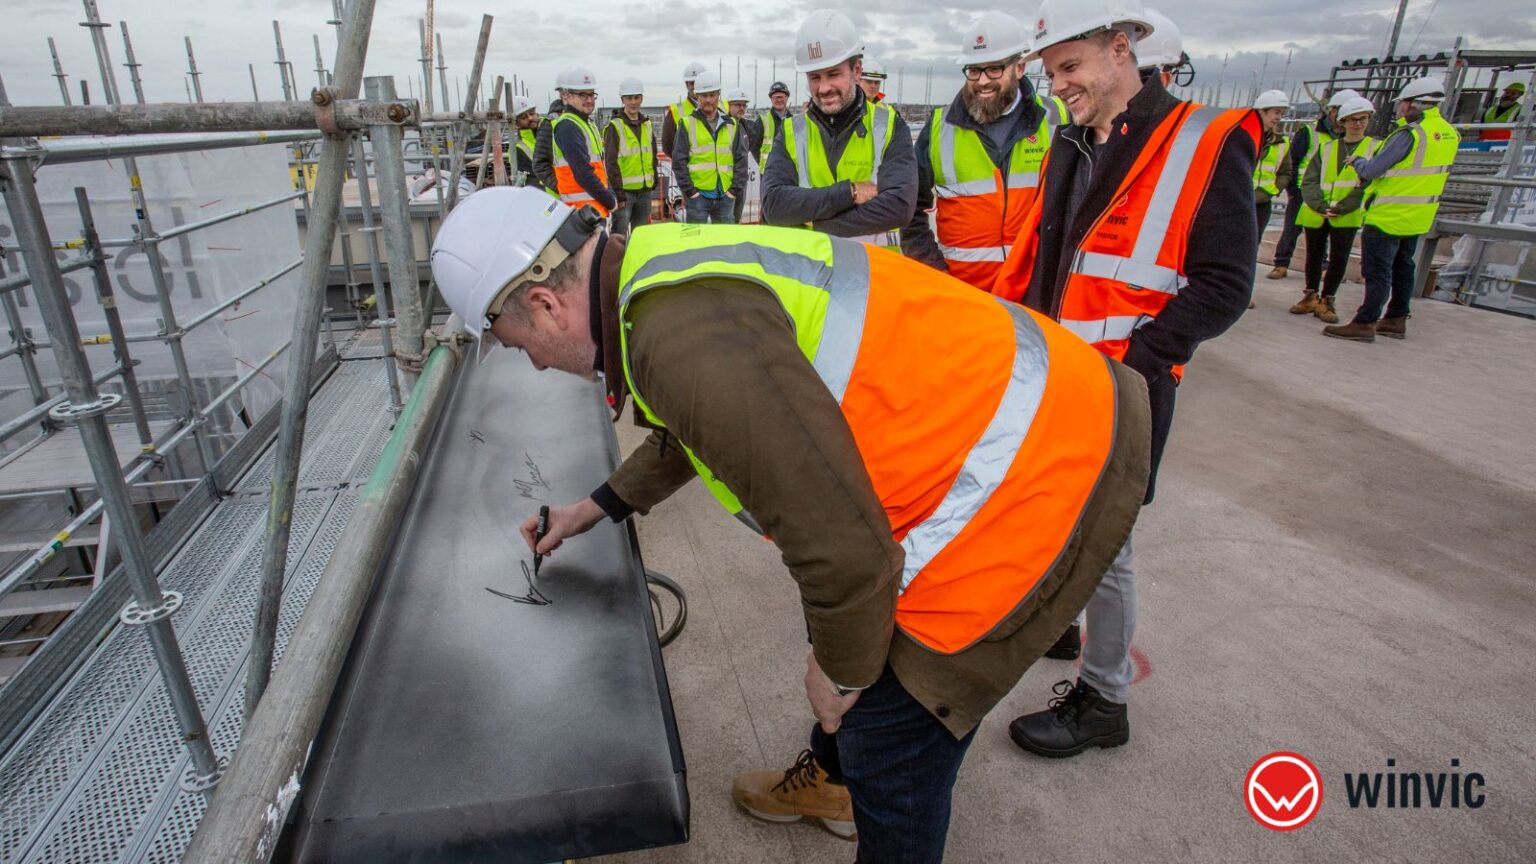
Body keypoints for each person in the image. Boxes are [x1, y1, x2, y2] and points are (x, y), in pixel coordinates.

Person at [430, 186, 1150, 864]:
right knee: (848, 648)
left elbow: (844, 552)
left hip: (1040, 471)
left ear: (545, 304)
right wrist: (596, 507)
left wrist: (840, 670)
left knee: (888, 734)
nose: (536, 365)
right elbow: (704, 425)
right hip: (1027, 418)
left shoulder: (679, 337)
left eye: (520, 345)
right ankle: (831, 781)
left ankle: (856, 782)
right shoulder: (655, 270)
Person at [995, 0, 1259, 757]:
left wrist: (1139, 365)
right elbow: (1049, 269)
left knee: (1109, 545)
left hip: (1126, 391)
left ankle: (1105, 699)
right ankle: (1058, 631)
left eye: (1069, 67)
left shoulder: (1205, 142)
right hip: (1060, 378)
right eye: (1050, 74)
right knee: (1052, 517)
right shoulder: (1069, 144)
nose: (1059, 86)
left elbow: (1224, 284)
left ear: (1121, 51)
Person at [901, 11, 1067, 289]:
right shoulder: (940, 128)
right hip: (965, 296)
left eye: (994, 69)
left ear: (1019, 67)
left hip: (1036, 293)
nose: (982, 81)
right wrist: (934, 272)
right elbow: (908, 210)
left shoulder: (1057, 118)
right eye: (974, 70)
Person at [761, 9, 917, 246]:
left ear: (856, 71)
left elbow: (898, 207)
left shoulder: (889, 126)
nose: (823, 88)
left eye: (833, 74)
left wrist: (816, 222)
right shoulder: (793, 131)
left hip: (875, 272)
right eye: (815, 77)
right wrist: (849, 193)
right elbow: (774, 205)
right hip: (813, 274)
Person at [1323, 77, 1460, 342]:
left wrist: (1359, 162)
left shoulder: (1410, 133)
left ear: (1409, 105)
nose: (1399, 110)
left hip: (1389, 214)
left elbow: (1375, 170)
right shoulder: (1449, 133)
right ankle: (1396, 319)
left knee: (1377, 272)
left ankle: (1365, 322)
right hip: (1418, 216)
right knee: (1403, 267)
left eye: (1401, 105)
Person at [1288, 96, 1377, 324]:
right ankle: (1310, 295)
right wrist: (1319, 205)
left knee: (1339, 258)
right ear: (1344, 122)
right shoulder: (1327, 149)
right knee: (1314, 255)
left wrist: (1344, 207)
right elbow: (1310, 179)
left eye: (1362, 119)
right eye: (1353, 119)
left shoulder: (1374, 149)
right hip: (1318, 212)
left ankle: (1327, 299)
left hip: (1346, 213)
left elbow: (1371, 182)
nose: (1357, 124)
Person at [1268, 88, 1357, 279]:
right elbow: (1293, 161)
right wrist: (1292, 190)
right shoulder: (1309, 133)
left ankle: (1323, 266)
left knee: (1321, 231)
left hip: (1327, 194)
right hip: (1302, 190)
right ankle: (1281, 263)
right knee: (1292, 228)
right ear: (1332, 111)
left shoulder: (1346, 140)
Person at [673, 71, 748, 224]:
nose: (708, 100)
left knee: (725, 243)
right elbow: (678, 161)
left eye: (712, 95)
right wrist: (691, 192)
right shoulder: (687, 124)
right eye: (704, 96)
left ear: (718, 95)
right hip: (698, 197)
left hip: (725, 196)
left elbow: (741, 160)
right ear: (697, 96)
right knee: (697, 244)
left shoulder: (731, 124)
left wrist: (733, 191)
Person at [543, 67, 615, 217]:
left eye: (591, 95)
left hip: (593, 209)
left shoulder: (586, 124)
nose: (589, 100)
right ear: (568, 96)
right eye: (582, 95)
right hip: (581, 212)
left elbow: (599, 168)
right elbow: (583, 173)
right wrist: (610, 200)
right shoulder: (568, 126)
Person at [604, 77, 658, 235]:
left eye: (636, 98)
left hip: (645, 192)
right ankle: (618, 261)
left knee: (641, 236)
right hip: (625, 194)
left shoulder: (647, 124)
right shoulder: (615, 126)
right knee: (619, 236)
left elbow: (653, 155)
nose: (633, 102)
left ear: (641, 98)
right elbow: (611, 162)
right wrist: (618, 194)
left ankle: (637, 260)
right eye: (629, 98)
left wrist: (653, 181)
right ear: (622, 100)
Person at [1252, 90, 1293, 235]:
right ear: (1262, 111)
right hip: (1239, 200)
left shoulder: (1282, 142)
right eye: (1276, 112)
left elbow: (1286, 171)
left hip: (1262, 202)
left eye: (1281, 113)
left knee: (1253, 244)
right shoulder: (1242, 136)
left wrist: (1274, 189)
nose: (1279, 117)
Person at [661, 61, 709, 158]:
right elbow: (667, 146)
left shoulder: (720, 108)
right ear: (687, 85)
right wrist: (682, 165)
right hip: (689, 171)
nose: (695, 87)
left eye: (698, 83)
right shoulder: (675, 111)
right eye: (692, 83)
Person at [726, 88, 759, 223]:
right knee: (726, 221)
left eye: (744, 105)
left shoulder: (746, 126)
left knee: (736, 219)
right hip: (727, 184)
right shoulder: (723, 126)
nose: (742, 108)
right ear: (729, 106)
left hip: (741, 183)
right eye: (737, 105)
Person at [531, 98, 566, 193]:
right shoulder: (550, 124)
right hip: (562, 195)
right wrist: (562, 188)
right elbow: (539, 165)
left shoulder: (587, 123)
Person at [510, 96, 543, 189]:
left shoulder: (552, 134)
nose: (530, 118)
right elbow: (531, 180)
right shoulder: (518, 149)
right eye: (524, 117)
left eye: (532, 113)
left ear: (537, 114)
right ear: (516, 124)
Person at [759, 81, 793, 169]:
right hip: (768, 171)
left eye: (781, 97)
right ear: (771, 99)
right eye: (775, 97)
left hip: (789, 170)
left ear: (787, 98)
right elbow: (754, 146)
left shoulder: (794, 121)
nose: (779, 100)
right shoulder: (762, 120)